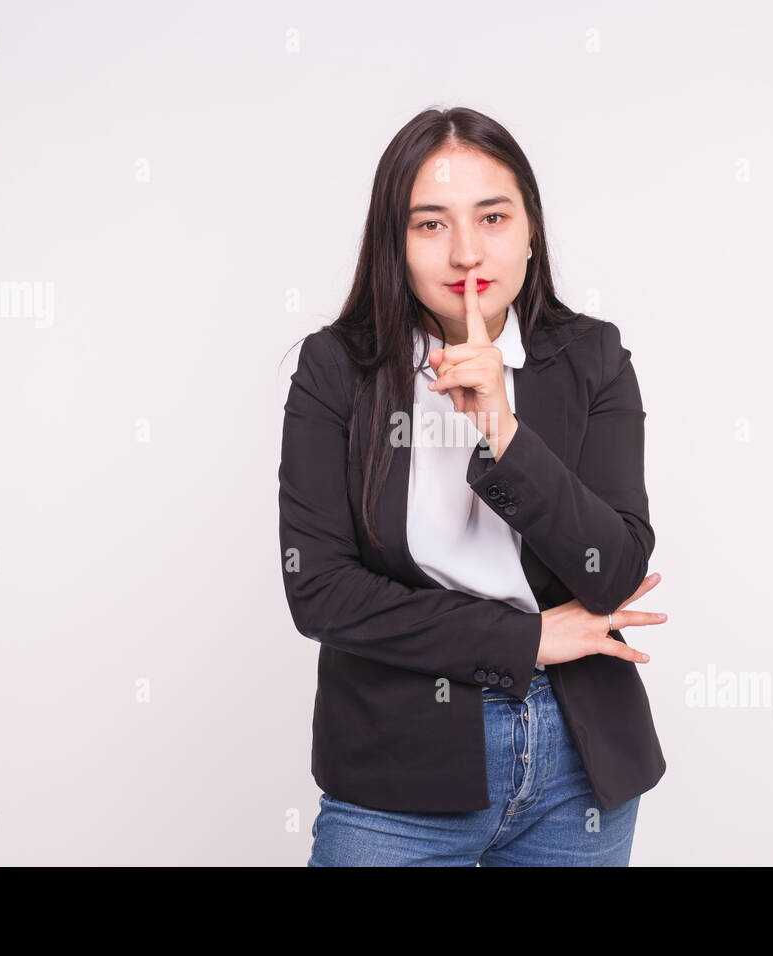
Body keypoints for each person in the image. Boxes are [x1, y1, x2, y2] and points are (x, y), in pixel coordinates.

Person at [278, 106, 668, 866]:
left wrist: (503, 426)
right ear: (395, 242)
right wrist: (524, 640)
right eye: (430, 224)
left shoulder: (593, 358)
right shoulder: (335, 371)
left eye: (492, 216)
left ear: (530, 230)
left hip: (578, 765)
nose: (465, 252)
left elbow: (612, 570)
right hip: (399, 773)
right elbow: (320, 592)